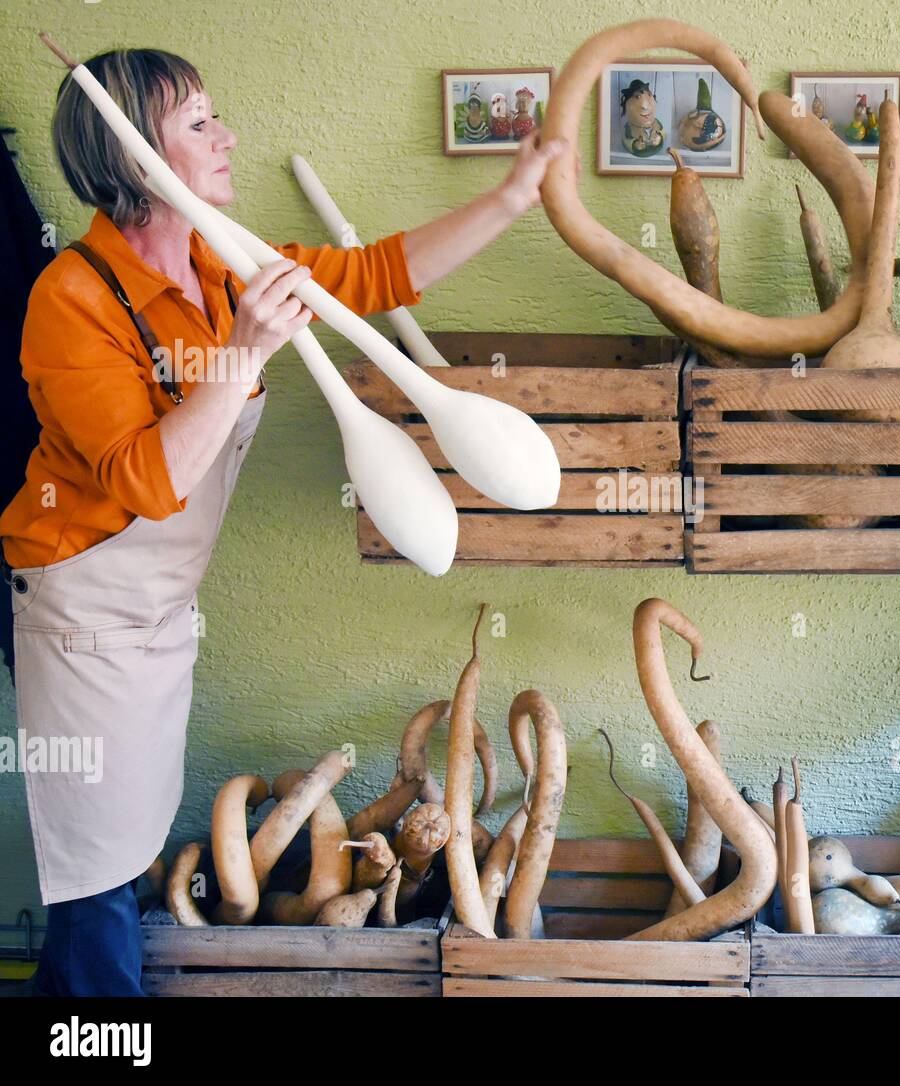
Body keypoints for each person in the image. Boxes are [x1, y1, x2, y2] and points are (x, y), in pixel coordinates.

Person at [0, 47, 571, 996]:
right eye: (198, 124)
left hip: (157, 611)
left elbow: (376, 273)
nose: (226, 137)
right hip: (82, 622)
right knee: (92, 880)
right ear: (137, 158)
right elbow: (150, 479)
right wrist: (245, 351)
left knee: (131, 847)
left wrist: (513, 198)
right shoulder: (70, 301)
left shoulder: (224, 260)